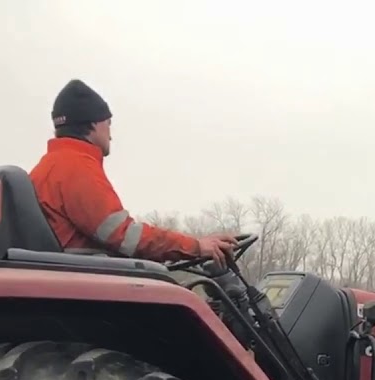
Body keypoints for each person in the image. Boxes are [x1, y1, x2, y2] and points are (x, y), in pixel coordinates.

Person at [29, 79, 238, 264]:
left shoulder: (48, 167)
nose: (110, 136)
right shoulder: (76, 168)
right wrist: (195, 246)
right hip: (87, 282)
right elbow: (125, 236)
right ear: (93, 124)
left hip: (76, 273)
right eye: (108, 124)